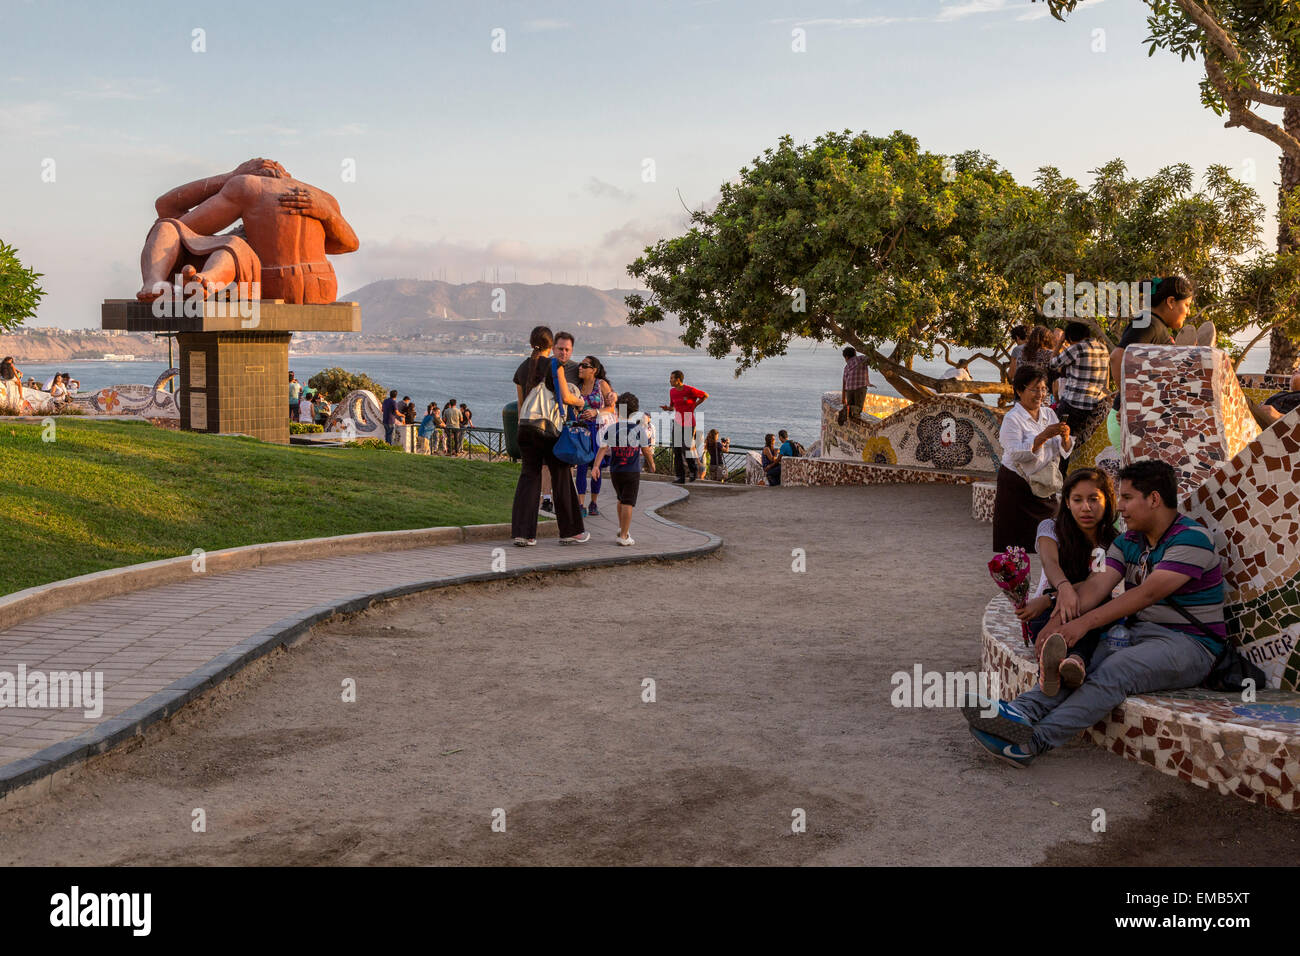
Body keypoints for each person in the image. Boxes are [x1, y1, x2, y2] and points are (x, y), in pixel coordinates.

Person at [965, 460, 1225, 766]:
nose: (1121, 507)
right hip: (1138, 633)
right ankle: (1021, 712)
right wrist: (1059, 622)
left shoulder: (1191, 538)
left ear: (1154, 499)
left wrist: (1083, 624)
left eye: (1127, 498)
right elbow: (1095, 587)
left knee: (1116, 670)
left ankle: (1032, 742)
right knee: (1074, 662)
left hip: (1190, 646)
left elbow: (1147, 593)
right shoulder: (1128, 541)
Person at [1014, 468, 1120, 687]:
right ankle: (1063, 662)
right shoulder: (1051, 528)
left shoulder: (1109, 541)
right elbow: (1050, 563)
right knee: (1041, 621)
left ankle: (1072, 662)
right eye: (1078, 499)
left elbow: (1096, 582)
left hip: (1088, 602)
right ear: (1068, 503)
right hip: (1050, 604)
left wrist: (1054, 599)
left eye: (1094, 499)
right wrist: (1061, 590)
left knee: (1091, 618)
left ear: (1107, 501)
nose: (1086, 507)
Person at [511, 326, 588, 546]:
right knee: (561, 476)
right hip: (548, 430)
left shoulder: (522, 368)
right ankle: (571, 531)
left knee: (529, 477)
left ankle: (523, 534)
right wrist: (581, 401)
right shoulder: (554, 365)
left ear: (531, 343)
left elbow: (521, 403)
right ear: (551, 345)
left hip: (525, 428)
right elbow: (565, 397)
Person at [1106, 275, 1193, 448]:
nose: (1188, 312)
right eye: (1187, 305)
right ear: (1171, 301)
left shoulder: (1156, 325)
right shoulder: (1147, 323)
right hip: (1126, 418)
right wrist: (1128, 402)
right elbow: (1117, 357)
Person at [993, 367, 1073, 553]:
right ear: (1020, 390)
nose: (1040, 394)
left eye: (1043, 389)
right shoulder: (1012, 419)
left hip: (1045, 486)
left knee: (1050, 538)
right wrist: (1042, 437)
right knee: (1016, 545)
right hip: (1018, 486)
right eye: (1034, 389)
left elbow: (1062, 451)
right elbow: (1016, 453)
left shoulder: (1049, 414)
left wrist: (1065, 438)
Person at [591, 392, 654, 546]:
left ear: (618, 410)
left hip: (615, 471)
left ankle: (621, 528)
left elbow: (602, 449)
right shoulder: (639, 430)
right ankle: (624, 536)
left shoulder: (612, 428)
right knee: (628, 502)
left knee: (620, 499)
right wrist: (651, 464)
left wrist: (595, 466)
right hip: (631, 471)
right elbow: (646, 450)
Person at [573, 356, 617, 516]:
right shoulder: (577, 386)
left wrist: (596, 411)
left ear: (594, 370)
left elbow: (612, 408)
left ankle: (594, 503)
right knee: (581, 468)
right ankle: (580, 504)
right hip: (582, 431)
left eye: (585, 366)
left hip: (599, 430)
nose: (580, 368)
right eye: (580, 365)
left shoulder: (601, 384)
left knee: (596, 468)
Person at [1049, 320, 1110, 434]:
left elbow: (1052, 364)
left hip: (1072, 405)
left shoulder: (1076, 348)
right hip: (1093, 404)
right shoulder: (1103, 348)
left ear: (1070, 338)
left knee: (1056, 434)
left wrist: (1059, 343)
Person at [661, 370, 708, 485]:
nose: (670, 380)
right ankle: (680, 477)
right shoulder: (672, 391)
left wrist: (694, 405)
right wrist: (668, 408)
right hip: (677, 422)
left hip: (688, 421)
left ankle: (693, 470)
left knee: (686, 448)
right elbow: (673, 406)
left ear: (678, 380)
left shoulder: (690, 390)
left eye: (672, 378)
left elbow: (705, 395)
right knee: (676, 450)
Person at [841, 347, 873, 420]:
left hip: (849, 389)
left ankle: (848, 409)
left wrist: (843, 398)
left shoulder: (846, 366)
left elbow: (844, 381)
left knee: (850, 407)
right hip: (860, 387)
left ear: (846, 357)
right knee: (858, 408)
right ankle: (849, 409)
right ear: (855, 353)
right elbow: (871, 358)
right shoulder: (861, 358)